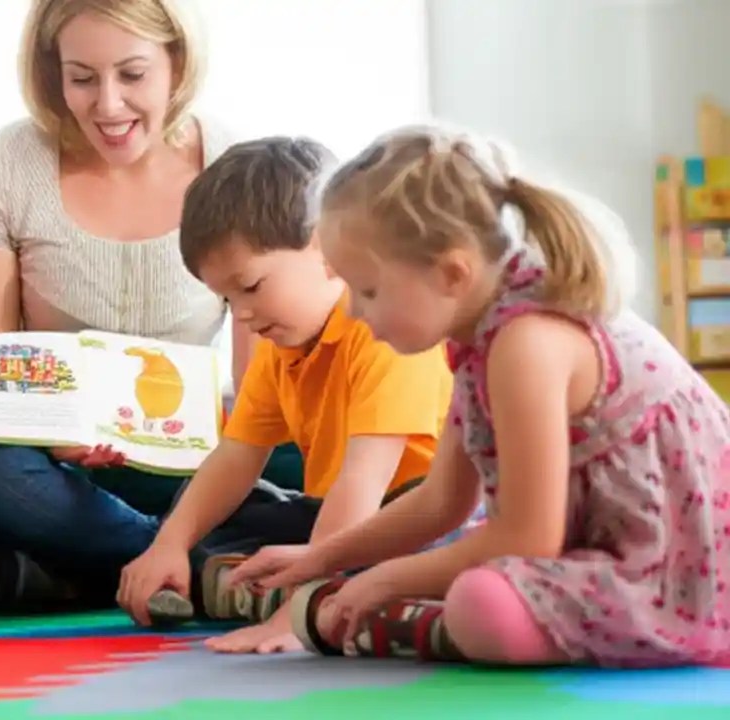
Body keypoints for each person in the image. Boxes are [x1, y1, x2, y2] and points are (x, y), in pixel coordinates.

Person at [235, 124, 730, 667]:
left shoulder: (527, 342)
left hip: (682, 576)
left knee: (480, 602)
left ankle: (423, 626)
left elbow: (527, 537)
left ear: (451, 273)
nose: (353, 311)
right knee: (469, 584)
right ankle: (418, 620)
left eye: (369, 290)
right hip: (609, 553)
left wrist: (385, 578)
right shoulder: (479, 337)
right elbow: (441, 501)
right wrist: (321, 558)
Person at [0, 0, 307, 613]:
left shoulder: (229, 167)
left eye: (131, 75)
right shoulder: (7, 171)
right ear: (53, 73)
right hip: (56, 467)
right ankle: (189, 564)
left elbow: (262, 390)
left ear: (176, 63)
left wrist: (216, 447)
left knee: (327, 454)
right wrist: (54, 440)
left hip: (190, 457)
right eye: (82, 78)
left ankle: (83, 572)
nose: (107, 105)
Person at [116, 136, 456, 653]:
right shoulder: (280, 344)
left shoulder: (387, 329)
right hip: (332, 516)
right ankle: (270, 584)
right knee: (207, 521)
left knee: (401, 533)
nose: (242, 314)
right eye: (227, 299)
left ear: (329, 248)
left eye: (250, 287)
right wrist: (169, 545)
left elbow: (364, 482)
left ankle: (306, 596)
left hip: (411, 514)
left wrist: (298, 614)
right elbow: (236, 456)